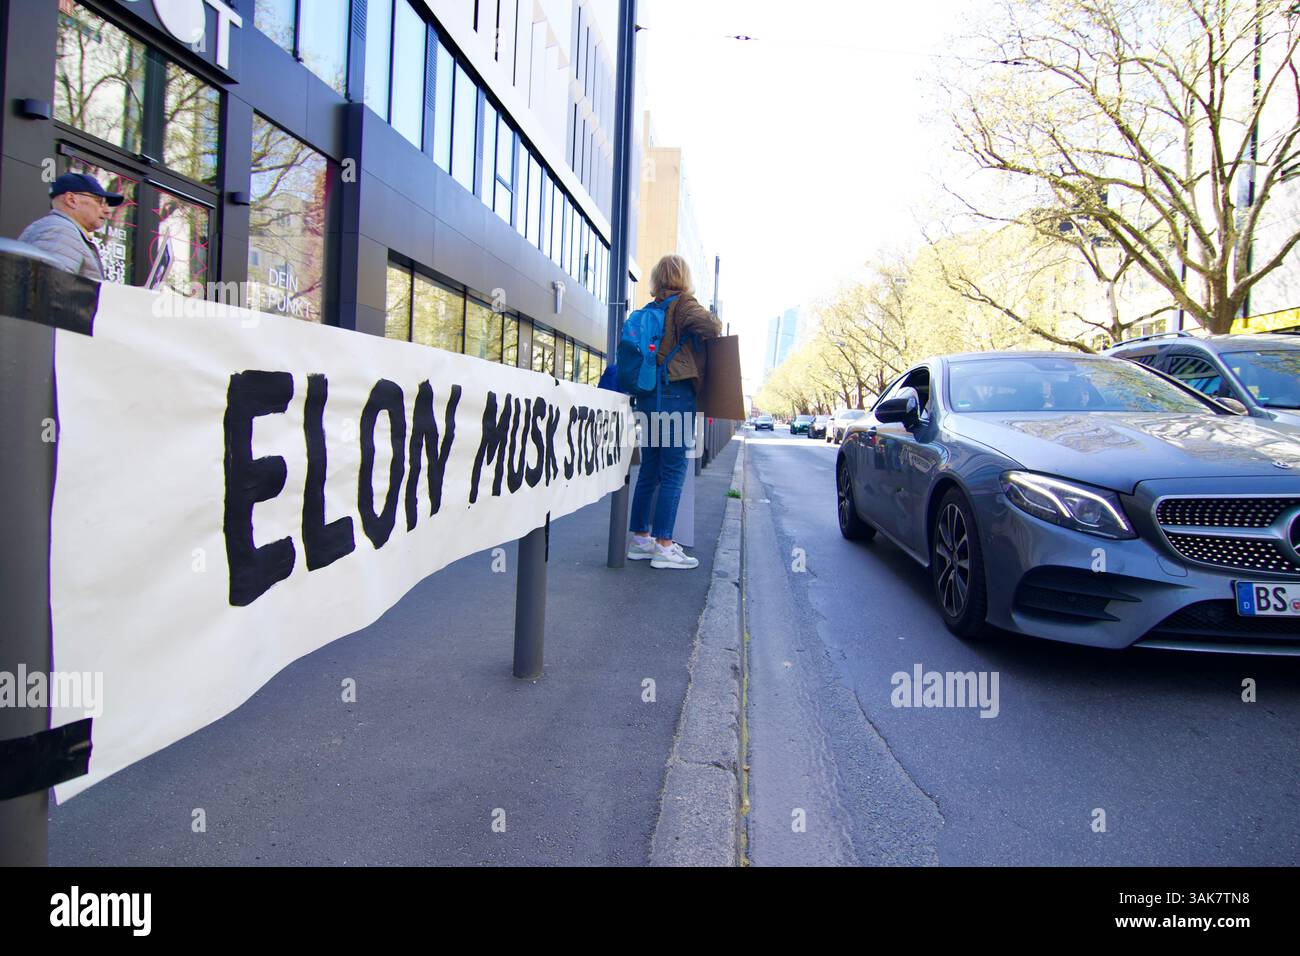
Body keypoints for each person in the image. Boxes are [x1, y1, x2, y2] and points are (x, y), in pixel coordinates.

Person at [626, 254, 722, 569]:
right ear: (683, 277)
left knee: (650, 469)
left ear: (656, 279)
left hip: (647, 396)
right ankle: (665, 545)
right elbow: (712, 326)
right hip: (674, 395)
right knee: (674, 470)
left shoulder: (650, 308)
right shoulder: (683, 304)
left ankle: (640, 539)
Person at [16, 172, 123, 281]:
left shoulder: (56, 228)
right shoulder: (60, 231)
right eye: (100, 201)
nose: (107, 211)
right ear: (71, 199)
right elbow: (52, 289)